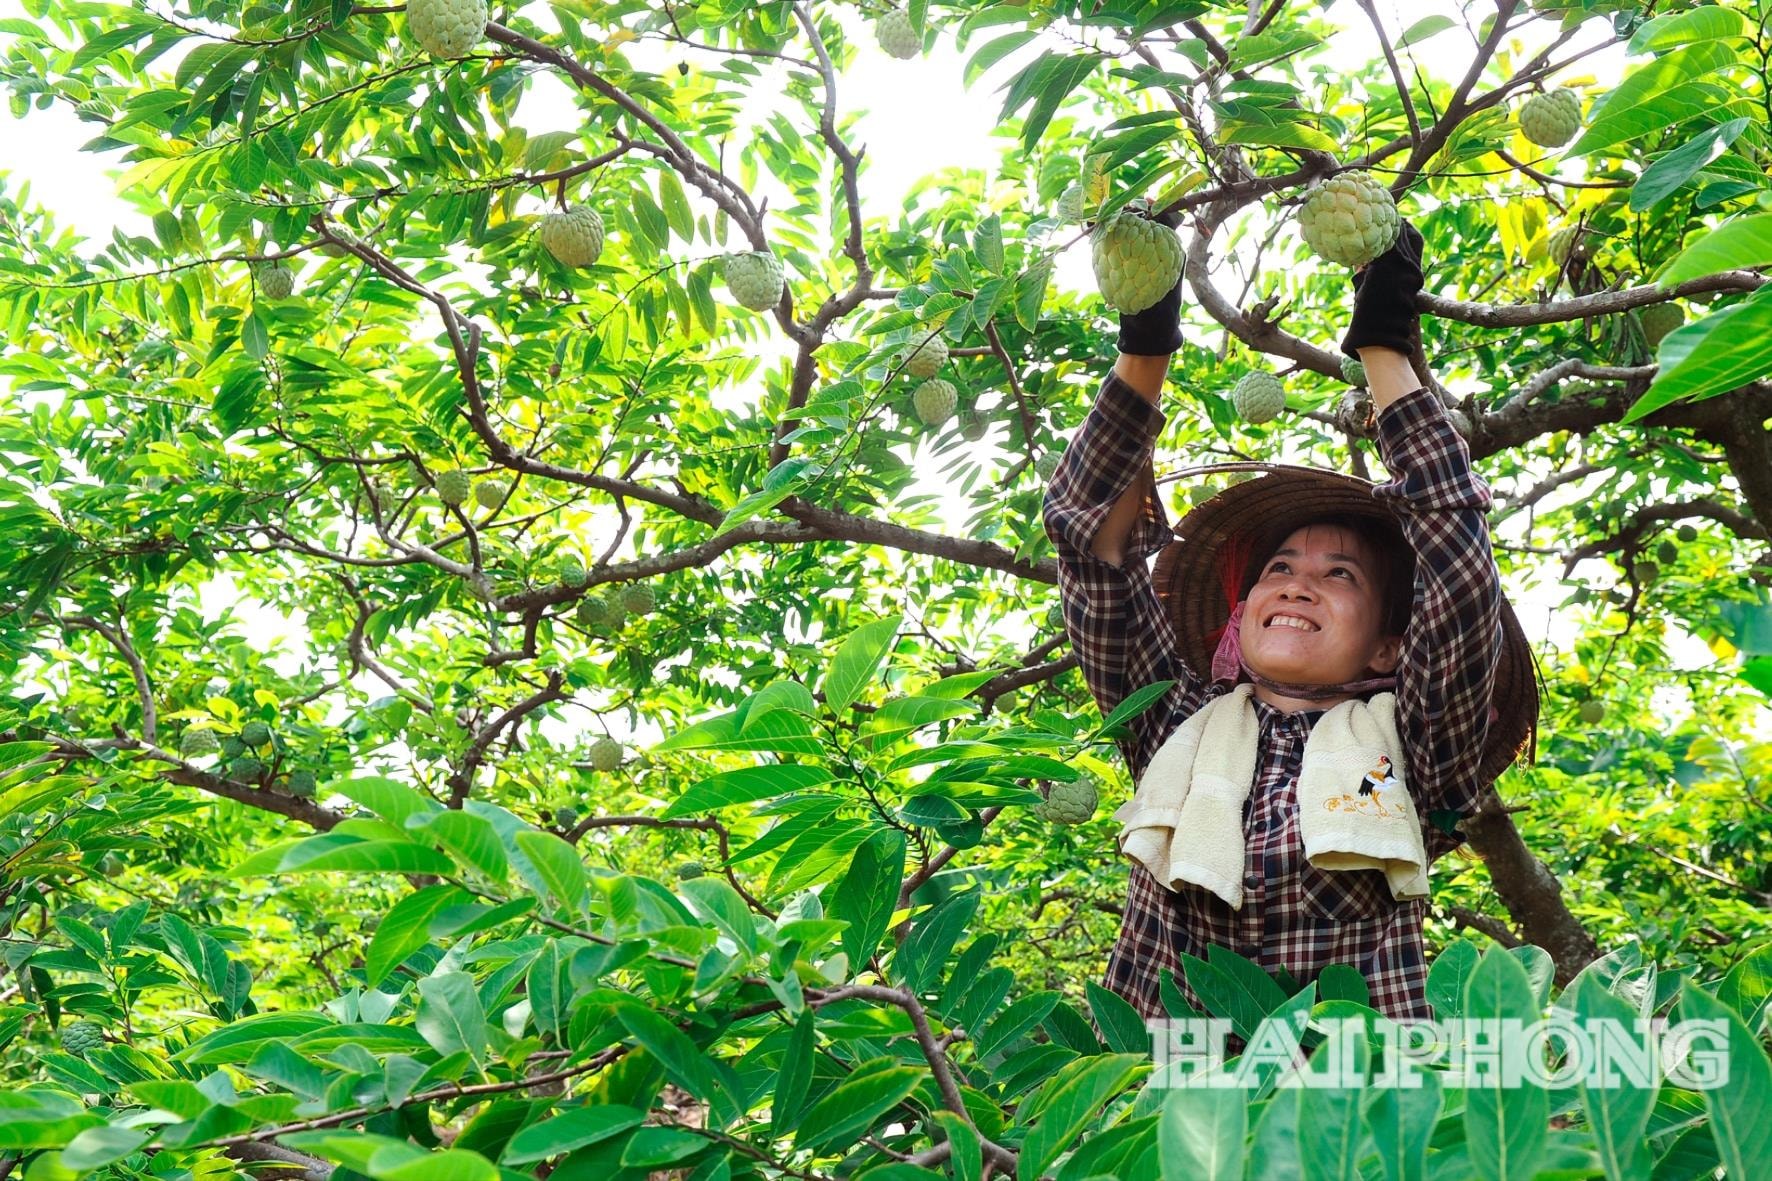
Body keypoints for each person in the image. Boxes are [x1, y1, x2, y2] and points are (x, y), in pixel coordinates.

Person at [1040, 207, 1539, 1028]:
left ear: (1390, 644)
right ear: (1243, 615)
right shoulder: (1175, 726)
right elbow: (1094, 547)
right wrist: (1145, 344)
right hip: (1161, 1130)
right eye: (1279, 569)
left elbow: (1455, 562)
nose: (1299, 586)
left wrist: (1384, 342)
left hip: (1350, 1132)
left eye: (1338, 573)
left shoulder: (1413, 753)